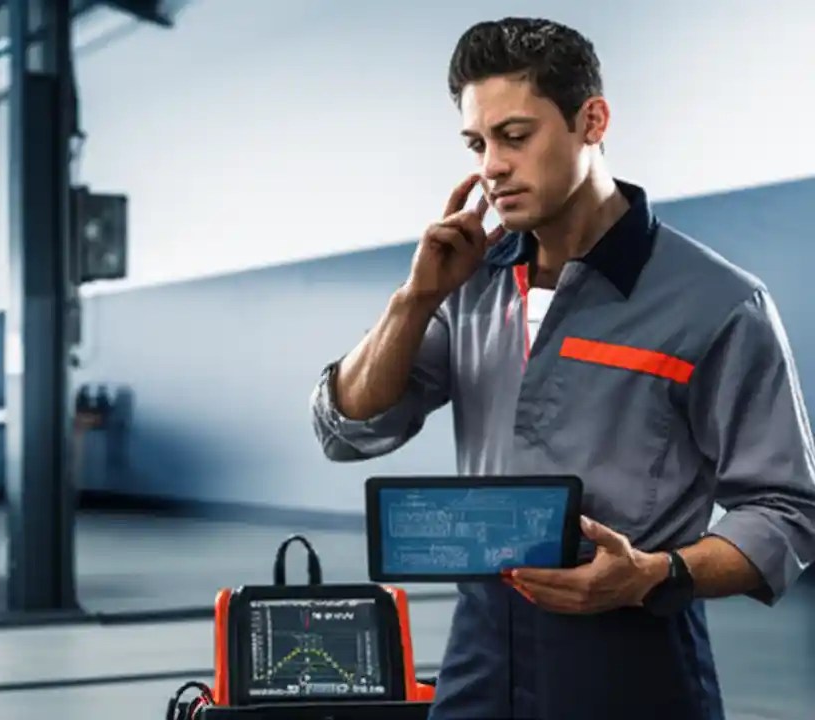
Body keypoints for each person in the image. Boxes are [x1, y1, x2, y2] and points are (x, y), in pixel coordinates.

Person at [309, 16, 815, 720]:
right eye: (478, 143)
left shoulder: (720, 302)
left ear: (592, 120)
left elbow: (788, 510)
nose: (492, 165)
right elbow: (348, 429)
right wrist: (416, 298)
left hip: (635, 654)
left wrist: (651, 575)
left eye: (515, 136)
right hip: (480, 649)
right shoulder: (468, 285)